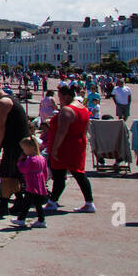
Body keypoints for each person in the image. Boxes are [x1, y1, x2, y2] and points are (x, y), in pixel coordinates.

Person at [44, 85, 94, 213]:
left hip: (66, 145)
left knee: (65, 174)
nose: (59, 100)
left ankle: (54, 202)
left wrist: (55, 149)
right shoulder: (82, 107)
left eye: (60, 97)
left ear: (67, 96)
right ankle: (53, 201)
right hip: (78, 143)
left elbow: (62, 131)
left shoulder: (67, 110)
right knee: (76, 173)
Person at [0, 81, 31, 218]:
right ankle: (19, 201)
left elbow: (0, 127)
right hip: (20, 144)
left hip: (13, 145)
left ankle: (3, 205)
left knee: (5, 176)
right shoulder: (12, 99)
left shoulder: (2, 103)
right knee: (14, 175)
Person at [9, 136, 49, 229]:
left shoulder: (30, 159)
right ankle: (38, 220)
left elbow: (24, 170)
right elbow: (45, 171)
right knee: (36, 203)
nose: (23, 151)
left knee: (28, 202)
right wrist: (44, 182)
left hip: (31, 184)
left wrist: (20, 162)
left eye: (24, 149)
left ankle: (24, 219)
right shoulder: (41, 158)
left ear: (30, 148)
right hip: (39, 183)